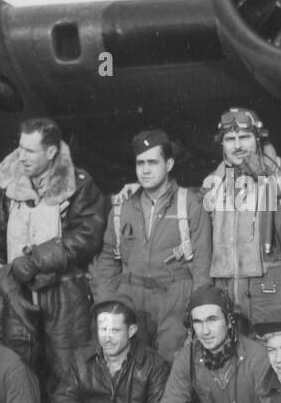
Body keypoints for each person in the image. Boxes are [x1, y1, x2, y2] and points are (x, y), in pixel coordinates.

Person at [0, 117, 108, 398]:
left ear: (51, 152)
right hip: (15, 295)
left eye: (30, 151)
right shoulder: (7, 187)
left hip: (65, 297)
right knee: (17, 371)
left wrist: (35, 261)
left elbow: (87, 236)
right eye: (20, 148)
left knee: (69, 373)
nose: (21, 156)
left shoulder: (80, 185)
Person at [90, 129, 211, 360]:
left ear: (169, 164)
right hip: (131, 298)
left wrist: (198, 312)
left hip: (175, 300)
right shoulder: (122, 207)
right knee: (132, 369)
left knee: (171, 365)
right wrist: (108, 304)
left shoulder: (190, 204)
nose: (145, 170)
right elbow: (107, 258)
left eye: (153, 162)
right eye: (140, 163)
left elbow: (202, 264)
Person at [201, 107, 281, 328]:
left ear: (258, 139)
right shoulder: (214, 183)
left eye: (245, 137)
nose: (237, 146)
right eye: (230, 139)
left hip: (275, 294)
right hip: (229, 296)